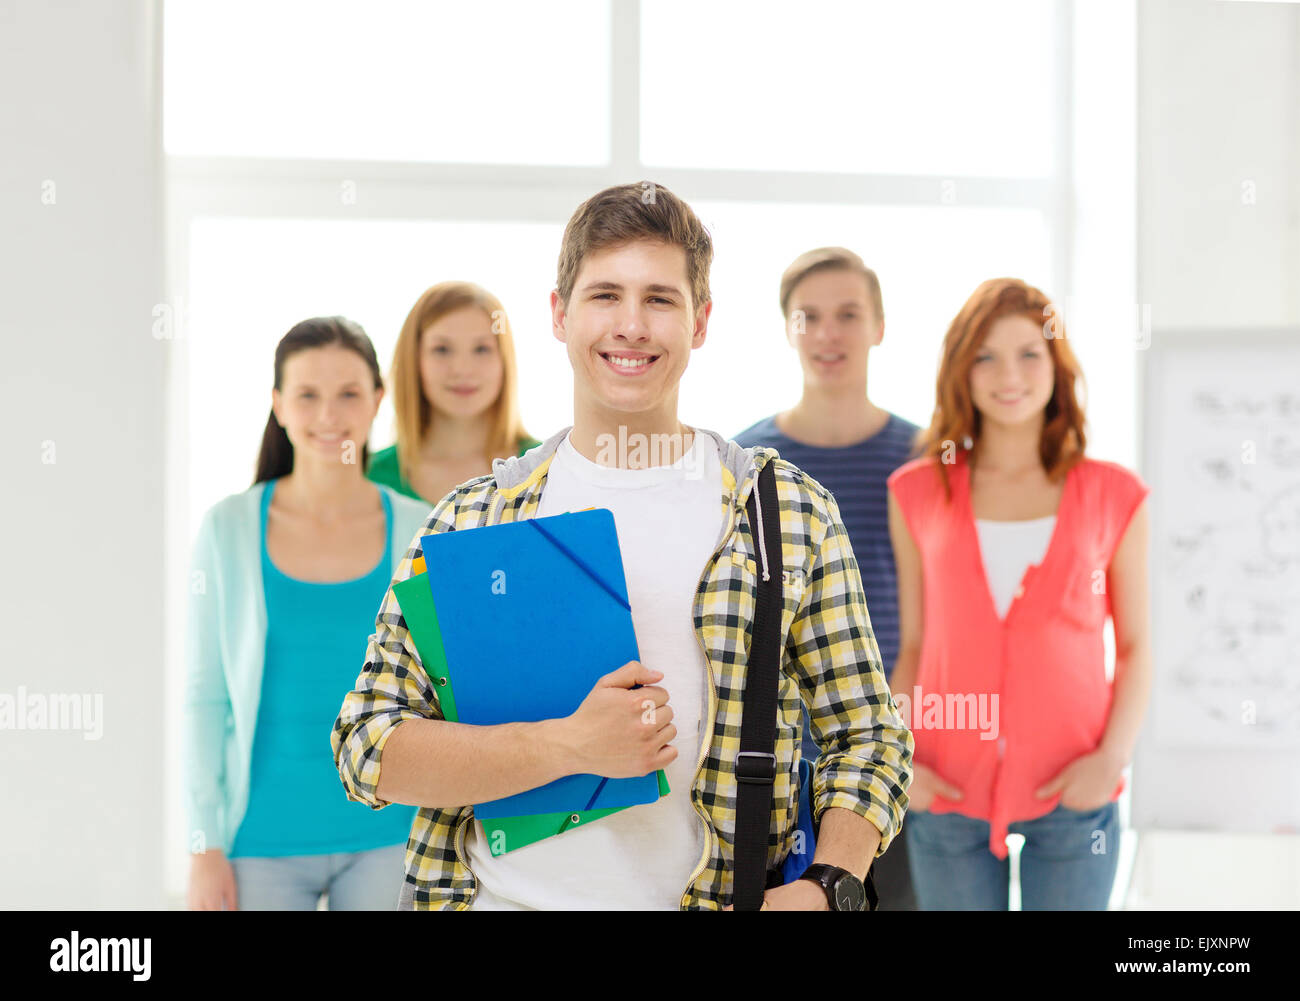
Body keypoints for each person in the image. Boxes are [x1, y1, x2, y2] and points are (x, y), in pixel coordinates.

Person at [332, 182, 913, 910]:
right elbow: (367, 747)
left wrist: (829, 885)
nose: (631, 325)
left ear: (700, 321)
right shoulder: (472, 521)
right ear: (559, 313)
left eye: (660, 299)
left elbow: (870, 737)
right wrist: (566, 746)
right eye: (605, 294)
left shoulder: (785, 514)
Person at [887, 278, 1151, 910]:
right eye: (985, 355)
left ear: (1056, 367)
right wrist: (902, 764)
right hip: (945, 788)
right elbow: (915, 643)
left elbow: (1137, 646)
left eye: (1029, 353)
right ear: (962, 370)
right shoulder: (917, 491)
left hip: (1074, 789)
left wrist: (1111, 759)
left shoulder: (1114, 494)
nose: (1009, 374)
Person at [185, 317, 433, 910]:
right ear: (278, 405)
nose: (329, 415)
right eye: (307, 395)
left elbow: (440, 688)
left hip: (390, 835)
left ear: (377, 399)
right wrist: (203, 848)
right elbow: (205, 695)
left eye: (349, 393)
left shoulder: (420, 526)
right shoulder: (228, 528)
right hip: (261, 843)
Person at [734, 246, 921, 909]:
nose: (828, 333)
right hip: (773, 766)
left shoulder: (924, 458)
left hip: (888, 755)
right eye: (809, 316)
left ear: (879, 325)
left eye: (848, 314)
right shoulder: (751, 464)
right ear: (788, 329)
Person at [367, 281, 540, 506]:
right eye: (442, 349)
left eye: (481, 349)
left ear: (504, 361)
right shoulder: (368, 477)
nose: (462, 369)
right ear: (414, 360)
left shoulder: (549, 467)